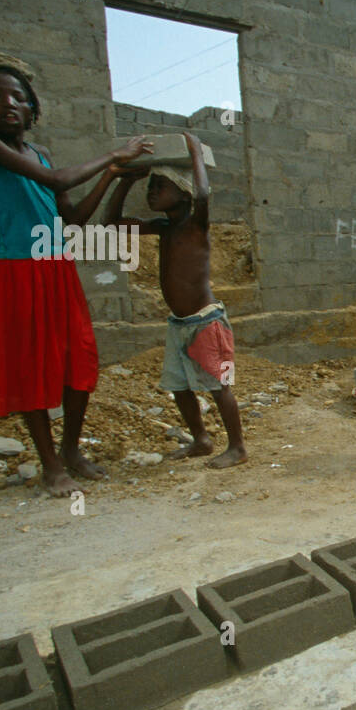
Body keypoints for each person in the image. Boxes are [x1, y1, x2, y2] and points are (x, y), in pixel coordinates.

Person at [0, 53, 152, 497]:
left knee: (79, 360)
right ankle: (49, 466)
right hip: (19, 272)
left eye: (19, 97)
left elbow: (73, 220)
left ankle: (71, 451)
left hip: (57, 268)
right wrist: (113, 154)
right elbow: (60, 181)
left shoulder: (39, 153)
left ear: (32, 109)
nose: (10, 103)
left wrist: (114, 176)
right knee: (30, 366)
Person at [105, 133, 247, 468]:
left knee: (218, 386)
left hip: (206, 322)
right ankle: (201, 439)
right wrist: (125, 181)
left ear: (182, 193)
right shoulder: (163, 228)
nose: (151, 193)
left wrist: (196, 150)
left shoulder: (195, 224)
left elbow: (202, 194)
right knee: (179, 387)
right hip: (179, 325)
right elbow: (110, 223)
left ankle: (238, 447)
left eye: (159, 186)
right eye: (150, 186)